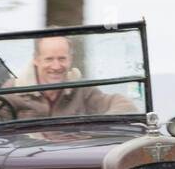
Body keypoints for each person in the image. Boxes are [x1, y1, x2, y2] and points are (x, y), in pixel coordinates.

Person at [11, 35, 139, 119]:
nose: (56, 66)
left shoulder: (82, 90)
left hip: (73, 155)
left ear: (70, 59)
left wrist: (97, 127)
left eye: (62, 58)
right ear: (36, 60)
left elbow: (125, 106)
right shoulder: (13, 90)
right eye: (49, 59)